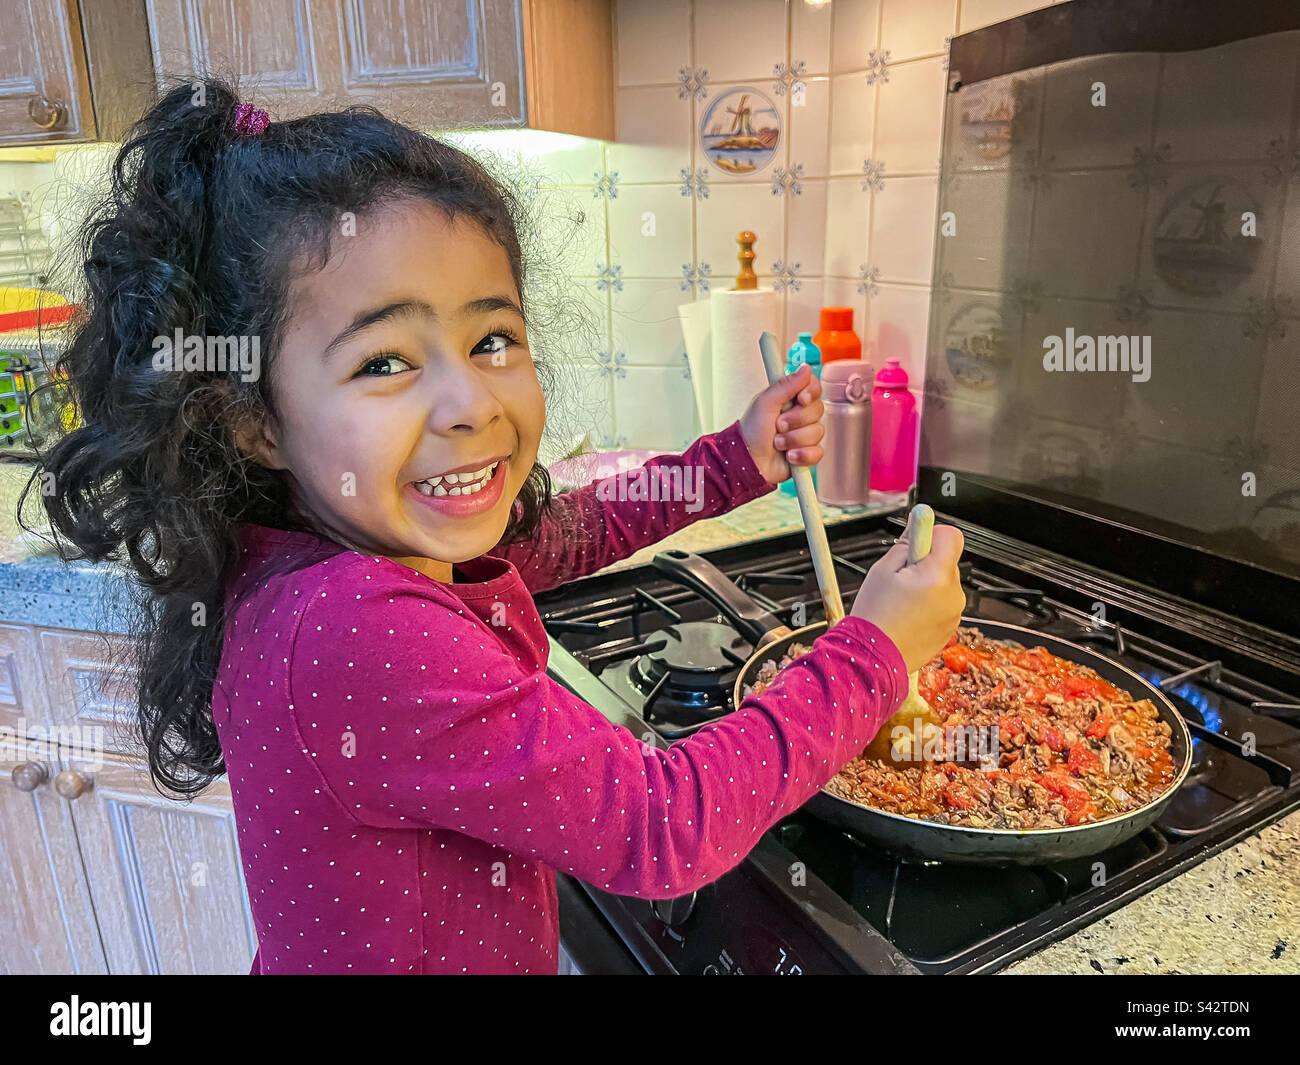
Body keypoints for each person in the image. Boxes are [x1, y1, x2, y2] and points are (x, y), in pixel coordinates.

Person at [31, 77, 965, 974]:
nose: (469, 400)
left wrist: (734, 462)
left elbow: (565, 534)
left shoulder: (327, 545)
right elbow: (660, 824)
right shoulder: (356, 626)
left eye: (491, 341)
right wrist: (873, 653)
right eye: (385, 360)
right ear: (255, 419)